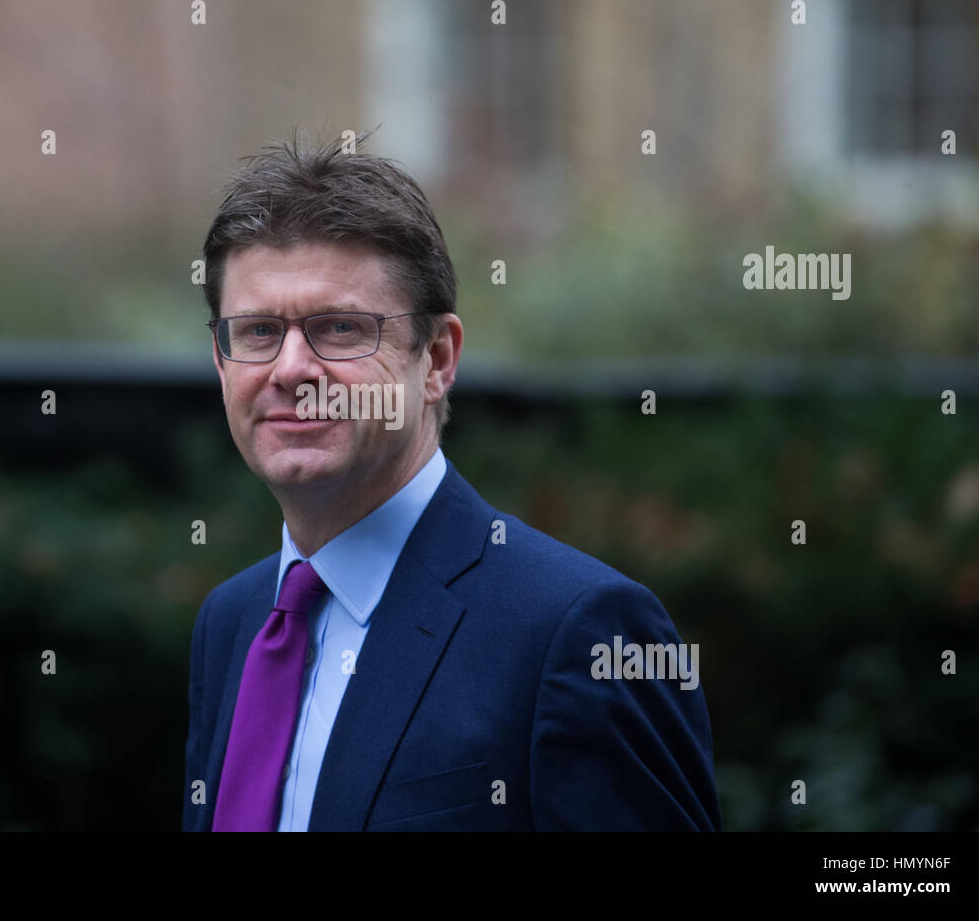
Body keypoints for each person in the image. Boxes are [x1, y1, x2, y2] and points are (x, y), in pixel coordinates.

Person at [182, 129, 721, 831]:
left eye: (340, 328)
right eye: (257, 332)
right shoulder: (233, 623)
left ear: (436, 358)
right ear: (222, 363)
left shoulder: (578, 631)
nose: (290, 369)